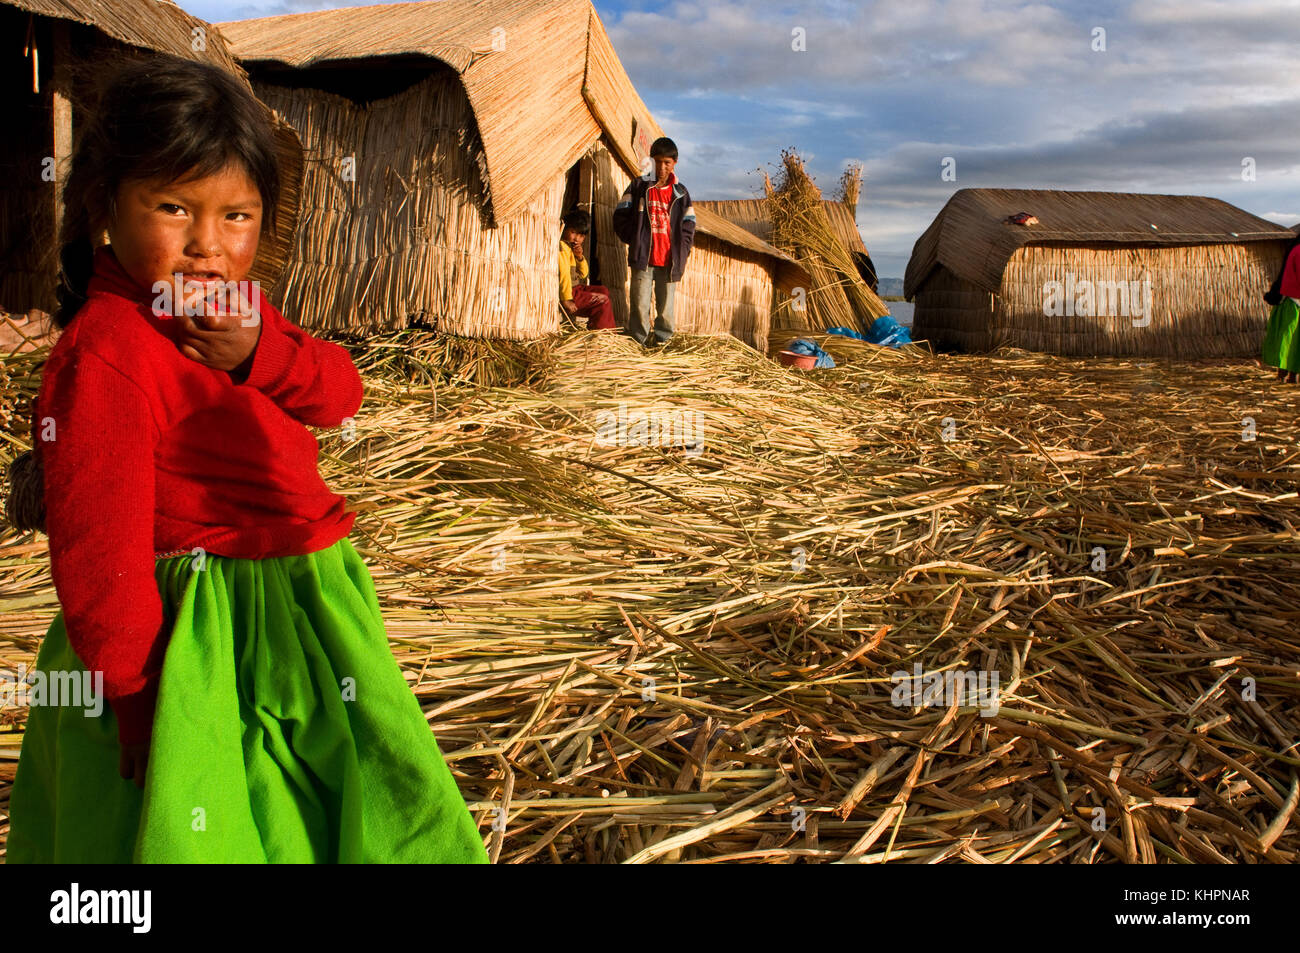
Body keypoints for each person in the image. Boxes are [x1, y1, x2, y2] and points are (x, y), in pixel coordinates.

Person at [4, 54, 487, 863]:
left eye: (237, 215)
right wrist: (132, 696)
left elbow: (338, 395)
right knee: (214, 813)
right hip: (193, 634)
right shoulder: (109, 353)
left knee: (334, 796)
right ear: (104, 211)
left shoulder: (243, 314)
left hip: (302, 600)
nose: (207, 244)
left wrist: (261, 349)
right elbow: (100, 552)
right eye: (173, 208)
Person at [612, 137, 696, 348]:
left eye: (666, 162)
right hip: (644, 258)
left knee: (666, 308)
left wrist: (682, 251)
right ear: (651, 161)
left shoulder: (681, 193)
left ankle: (662, 343)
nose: (661, 167)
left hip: (669, 260)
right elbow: (620, 216)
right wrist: (636, 239)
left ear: (674, 163)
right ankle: (638, 343)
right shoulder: (639, 186)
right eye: (657, 161)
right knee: (639, 304)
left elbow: (689, 227)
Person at [558, 209, 615, 330]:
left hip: (575, 287)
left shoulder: (570, 248)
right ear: (564, 228)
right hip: (569, 292)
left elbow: (583, 274)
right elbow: (563, 275)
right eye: (573, 232)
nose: (577, 238)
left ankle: (596, 325)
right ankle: (602, 335)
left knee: (603, 290)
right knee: (602, 301)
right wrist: (566, 299)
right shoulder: (562, 248)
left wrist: (579, 257)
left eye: (581, 236)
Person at [1263, 235, 1300, 384]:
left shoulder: (1296, 250)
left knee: (1288, 339)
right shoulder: (1299, 252)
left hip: (1290, 300)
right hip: (1294, 301)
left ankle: (1286, 374)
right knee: (1291, 340)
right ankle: (1288, 375)